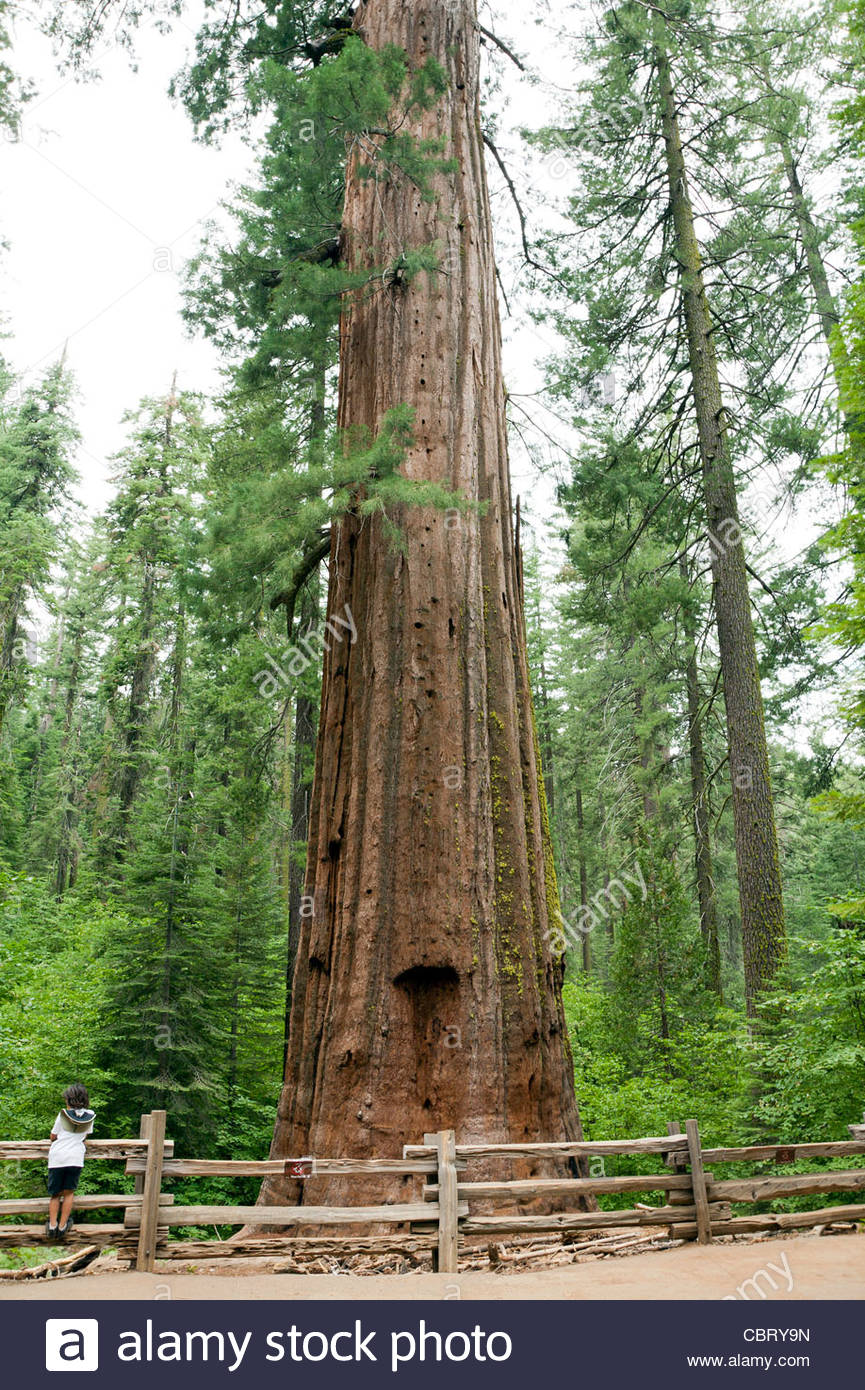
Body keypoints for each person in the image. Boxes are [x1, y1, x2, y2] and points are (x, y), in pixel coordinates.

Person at [46, 1084, 95, 1240]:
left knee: (55, 1194)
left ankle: (52, 1226)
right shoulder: (91, 1115)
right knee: (69, 1193)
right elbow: (86, 1135)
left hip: (58, 1157)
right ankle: (63, 1226)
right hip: (75, 1157)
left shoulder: (63, 1114)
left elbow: (53, 1136)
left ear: (69, 1099)